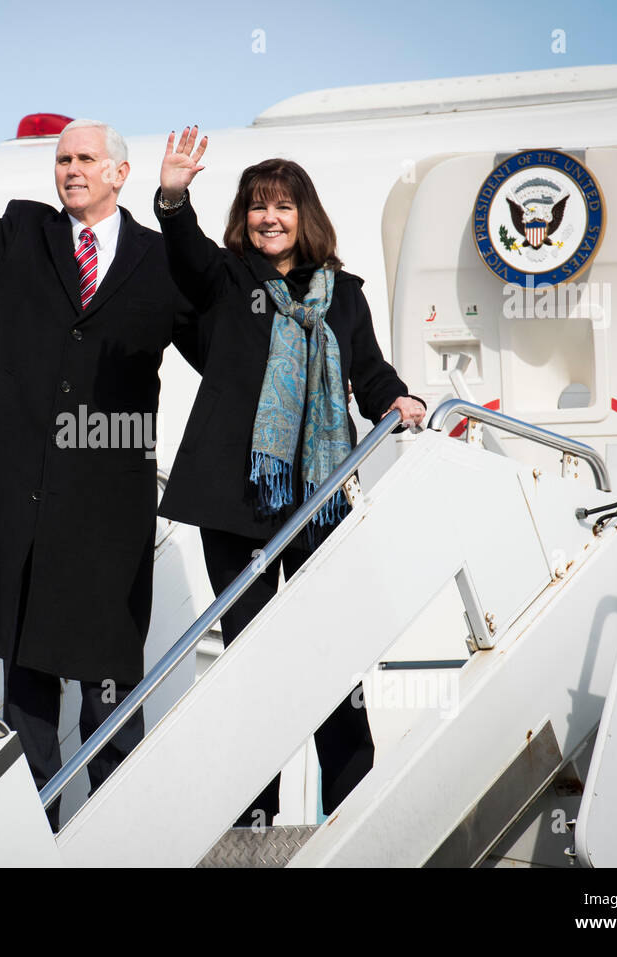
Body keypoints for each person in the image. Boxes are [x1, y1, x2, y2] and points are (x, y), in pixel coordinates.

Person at [0, 60, 200, 828]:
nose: (71, 169)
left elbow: (219, 348)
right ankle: (37, 838)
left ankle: (117, 836)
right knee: (28, 700)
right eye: (62, 159)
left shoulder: (161, 262)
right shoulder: (23, 233)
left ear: (121, 172)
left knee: (110, 686)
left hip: (110, 513)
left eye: (86, 158)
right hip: (26, 505)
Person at [153, 126, 427, 827]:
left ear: (306, 216)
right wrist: (175, 197)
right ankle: (254, 816)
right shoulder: (226, 280)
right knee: (251, 656)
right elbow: (184, 255)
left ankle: (353, 806)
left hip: (318, 498)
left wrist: (399, 397)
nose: (267, 218)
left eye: (281, 206)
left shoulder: (344, 295)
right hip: (236, 501)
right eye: (255, 206)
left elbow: (368, 373)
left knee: (329, 649)